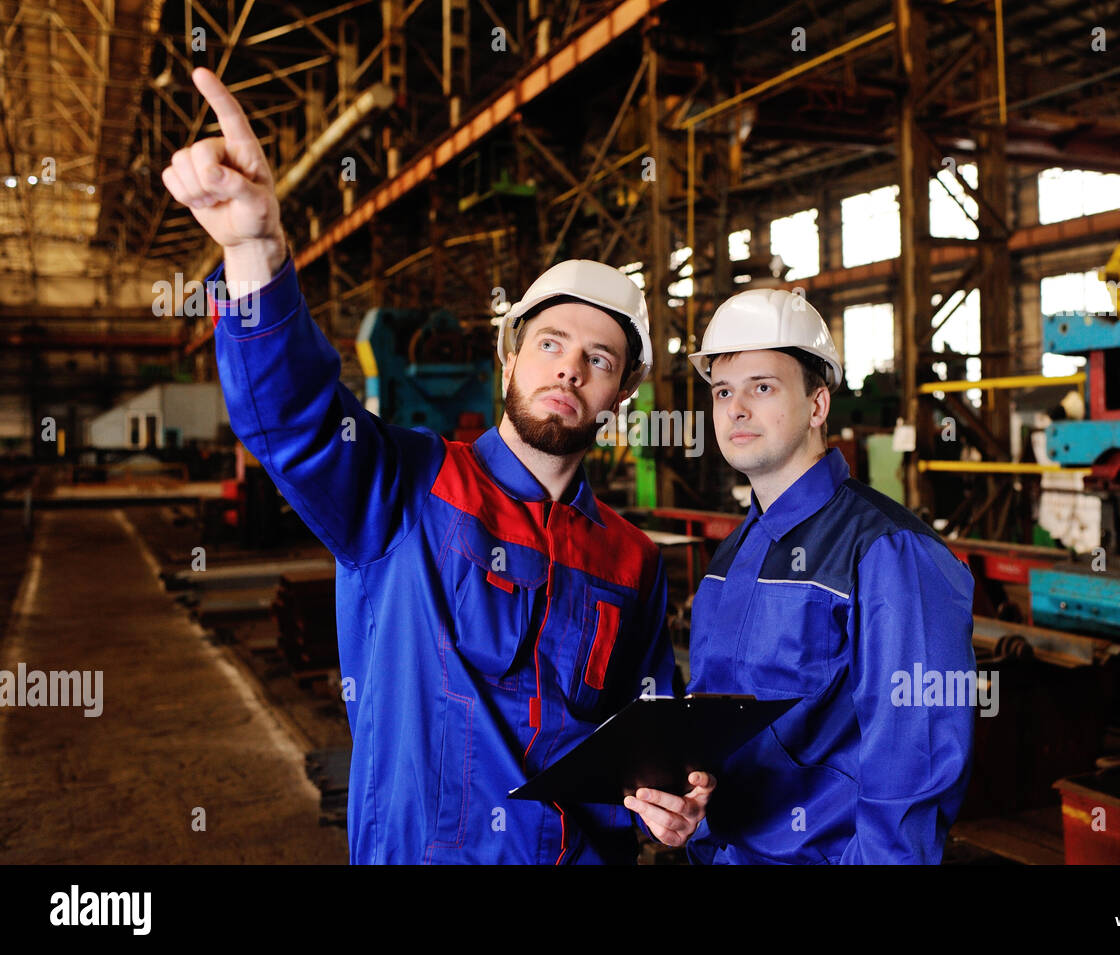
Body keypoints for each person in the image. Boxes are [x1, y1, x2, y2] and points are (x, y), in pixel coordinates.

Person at [162, 67, 712, 864]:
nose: (568, 370)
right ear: (509, 356)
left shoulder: (630, 559)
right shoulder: (407, 487)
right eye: (551, 345)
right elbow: (290, 417)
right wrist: (254, 250)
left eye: (599, 359)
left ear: (622, 391)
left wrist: (665, 806)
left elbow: (641, 742)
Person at [681, 288, 976, 864]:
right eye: (722, 391)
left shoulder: (890, 550)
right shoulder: (731, 558)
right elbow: (709, 729)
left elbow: (912, 764)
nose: (736, 409)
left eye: (761, 387)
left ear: (817, 406)